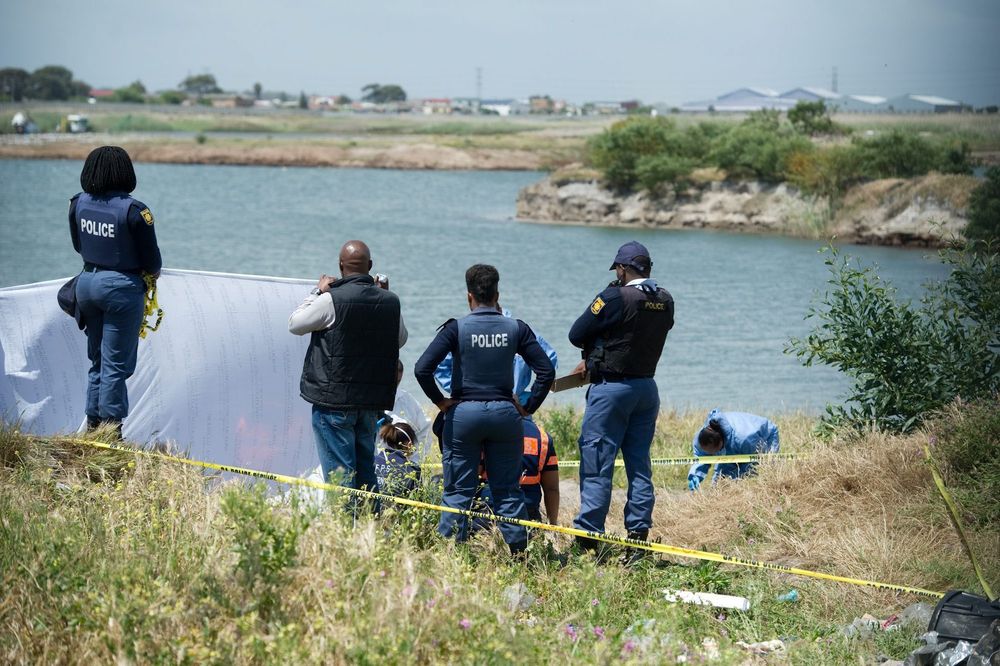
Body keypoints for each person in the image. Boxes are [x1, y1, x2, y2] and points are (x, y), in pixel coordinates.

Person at [415, 264, 555, 555]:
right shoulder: (516, 328)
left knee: (458, 491)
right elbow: (545, 370)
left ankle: (452, 555)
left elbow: (422, 368)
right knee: (507, 490)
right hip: (505, 415)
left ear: (469, 297)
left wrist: (440, 402)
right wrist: (527, 407)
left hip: (464, 414)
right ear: (497, 294)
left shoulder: (456, 329)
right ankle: (519, 554)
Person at [568, 240, 674, 553]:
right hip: (646, 389)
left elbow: (576, 333)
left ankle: (589, 536)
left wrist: (596, 348)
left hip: (611, 389)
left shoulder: (615, 296)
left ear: (623, 268)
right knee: (639, 464)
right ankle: (638, 536)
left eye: (618, 269)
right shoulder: (666, 299)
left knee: (597, 461)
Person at [289, 240, 407, 495]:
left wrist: (317, 292)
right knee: (366, 474)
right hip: (369, 405)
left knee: (340, 479)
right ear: (371, 267)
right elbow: (400, 339)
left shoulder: (330, 299)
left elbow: (296, 324)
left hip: (333, 405)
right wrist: (385, 295)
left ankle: (345, 533)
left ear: (340, 266)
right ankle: (369, 530)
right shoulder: (390, 301)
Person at [69, 146, 162, 437]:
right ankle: (111, 433)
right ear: (126, 172)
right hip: (120, 289)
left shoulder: (77, 203)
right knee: (116, 365)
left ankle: (92, 427)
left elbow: (78, 246)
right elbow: (152, 261)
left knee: (98, 360)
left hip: (86, 283)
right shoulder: (136, 210)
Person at [433, 305, 558, 408]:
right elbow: (548, 364)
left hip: (471, 404)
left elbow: (439, 367)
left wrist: (459, 393)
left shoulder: (465, 332)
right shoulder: (520, 330)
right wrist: (529, 398)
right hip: (515, 404)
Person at [478, 416, 560, 524]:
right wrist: (553, 524)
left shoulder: (487, 430)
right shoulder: (543, 437)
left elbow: (473, 474)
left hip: (489, 510)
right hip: (527, 513)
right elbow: (551, 488)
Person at [687, 410, 780, 490]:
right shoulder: (701, 439)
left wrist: (734, 477)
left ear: (721, 443)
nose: (712, 455)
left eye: (713, 452)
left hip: (766, 436)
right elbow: (701, 458)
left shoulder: (743, 439)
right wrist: (695, 475)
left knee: (761, 471)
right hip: (732, 443)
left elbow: (750, 463)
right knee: (718, 483)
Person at [374, 418, 422, 496]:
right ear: (409, 444)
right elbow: (419, 500)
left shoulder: (371, 462)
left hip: (369, 507)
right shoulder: (412, 470)